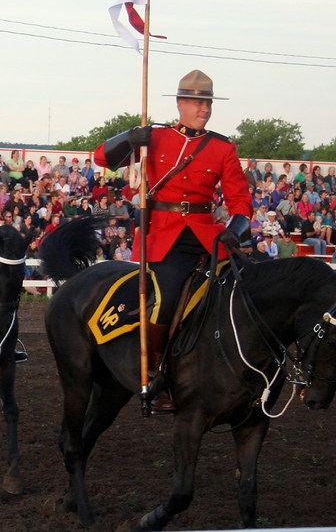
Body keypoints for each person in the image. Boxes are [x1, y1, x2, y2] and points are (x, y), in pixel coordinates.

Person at [93, 69, 251, 411]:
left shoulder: (222, 147)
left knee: (248, 291)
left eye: (207, 102)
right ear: (180, 104)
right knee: (165, 298)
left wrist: (235, 230)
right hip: (164, 235)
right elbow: (101, 158)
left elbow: (241, 201)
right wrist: (130, 138)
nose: (204, 109)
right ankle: (155, 371)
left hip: (208, 235)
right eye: (197, 102)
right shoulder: (157, 137)